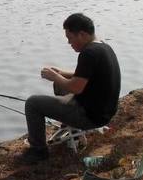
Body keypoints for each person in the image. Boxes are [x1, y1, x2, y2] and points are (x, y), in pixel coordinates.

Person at [23, 13, 120, 162]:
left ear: (81, 34)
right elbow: (84, 75)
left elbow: (76, 88)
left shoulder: (89, 53)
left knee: (32, 103)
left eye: (70, 38)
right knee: (59, 83)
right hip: (105, 110)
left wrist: (54, 76)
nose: (69, 43)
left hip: (91, 117)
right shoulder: (102, 46)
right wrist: (61, 73)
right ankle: (68, 124)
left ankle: (38, 151)